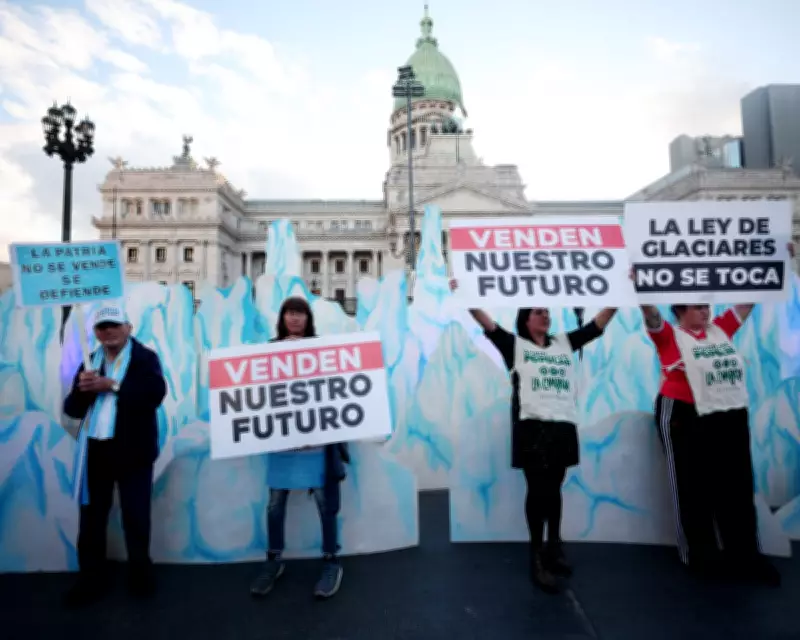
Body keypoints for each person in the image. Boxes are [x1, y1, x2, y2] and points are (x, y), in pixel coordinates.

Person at [450, 279, 617, 593]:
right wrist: (464, 294)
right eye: (539, 313)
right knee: (538, 490)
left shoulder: (564, 343)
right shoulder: (515, 346)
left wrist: (618, 295)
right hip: (532, 428)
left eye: (547, 312)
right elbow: (487, 323)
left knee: (555, 489)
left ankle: (555, 546)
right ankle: (537, 554)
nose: (546, 316)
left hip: (561, 427)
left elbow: (596, 326)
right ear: (526, 320)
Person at [641, 297, 783, 586]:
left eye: (707, 306)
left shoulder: (720, 329)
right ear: (681, 310)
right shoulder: (670, 336)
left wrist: (773, 261)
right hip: (683, 413)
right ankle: (700, 554)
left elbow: (746, 305)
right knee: (691, 485)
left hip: (726, 413)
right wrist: (640, 290)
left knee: (738, 485)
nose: (705, 311)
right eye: (698, 307)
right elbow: (651, 316)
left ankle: (745, 555)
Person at [62, 303, 167, 607]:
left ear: (128, 328)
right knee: (92, 520)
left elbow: (154, 395)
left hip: (133, 451)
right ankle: (90, 579)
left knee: (136, 517)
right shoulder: (89, 361)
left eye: (113, 325)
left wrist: (113, 385)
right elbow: (72, 410)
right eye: (102, 327)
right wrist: (83, 391)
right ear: (95, 332)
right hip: (96, 451)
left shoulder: (145, 358)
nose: (108, 331)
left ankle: (140, 576)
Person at [250, 296, 349, 600]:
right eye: (290, 313)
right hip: (281, 444)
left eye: (301, 314)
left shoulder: (321, 349)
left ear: (308, 319)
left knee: (325, 504)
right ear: (282, 318)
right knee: (275, 504)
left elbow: (335, 388)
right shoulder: (267, 349)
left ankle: (331, 560)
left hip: (315, 444)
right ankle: (274, 560)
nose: (295, 318)